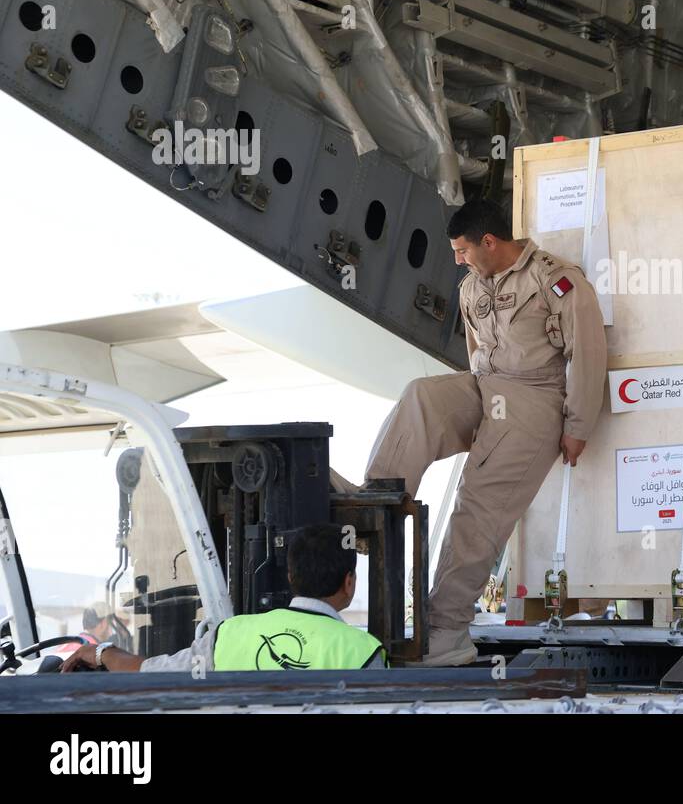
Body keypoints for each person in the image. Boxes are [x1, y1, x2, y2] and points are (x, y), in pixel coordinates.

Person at [363, 198, 606, 666]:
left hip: (534, 399)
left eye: (461, 250)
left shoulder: (555, 280)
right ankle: (377, 502)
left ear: (489, 241)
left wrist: (578, 425)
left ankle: (447, 628)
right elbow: (475, 353)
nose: (457, 259)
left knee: (477, 502)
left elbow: (589, 352)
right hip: (485, 387)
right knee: (422, 395)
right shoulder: (471, 287)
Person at [61, 524, 386, 672]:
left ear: (290, 576)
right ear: (349, 583)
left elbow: (150, 671)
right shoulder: (362, 652)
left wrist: (103, 652)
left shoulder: (229, 634)